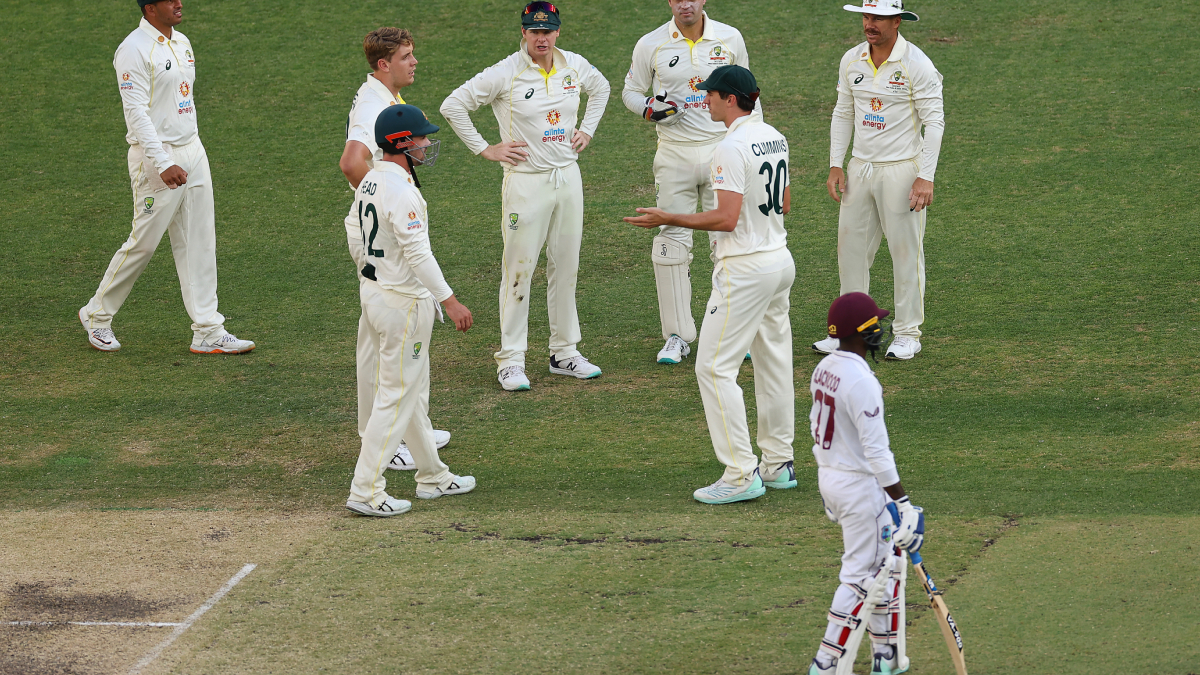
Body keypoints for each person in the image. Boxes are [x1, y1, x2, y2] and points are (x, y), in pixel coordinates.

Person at [625, 65, 796, 504]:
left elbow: (726, 218)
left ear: (731, 99)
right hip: (778, 260)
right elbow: (785, 202)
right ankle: (777, 464)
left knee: (714, 368)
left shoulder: (729, 147)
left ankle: (741, 475)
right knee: (773, 362)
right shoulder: (774, 135)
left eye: (711, 94)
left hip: (744, 270)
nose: (705, 99)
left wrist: (669, 216)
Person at [440, 1, 611, 391]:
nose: (542, 38)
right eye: (534, 32)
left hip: (568, 177)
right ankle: (511, 359)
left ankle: (564, 352)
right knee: (519, 269)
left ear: (557, 32)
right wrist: (486, 148)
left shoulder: (573, 65)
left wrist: (588, 129)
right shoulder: (506, 72)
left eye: (548, 31)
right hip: (525, 181)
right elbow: (453, 105)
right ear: (523, 33)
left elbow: (601, 88)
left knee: (565, 265)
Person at [79, 0, 254, 354]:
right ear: (149, 7)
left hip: (192, 149)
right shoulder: (132, 50)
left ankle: (207, 328)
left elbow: (180, 100)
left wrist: (192, 147)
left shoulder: (182, 41)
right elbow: (136, 113)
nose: (179, 3)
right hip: (157, 156)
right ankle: (97, 315)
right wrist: (162, 161)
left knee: (200, 239)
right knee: (144, 241)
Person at [345, 104, 476, 517]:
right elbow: (419, 252)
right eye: (420, 138)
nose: (426, 143)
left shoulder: (370, 182)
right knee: (397, 396)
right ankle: (366, 490)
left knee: (411, 393)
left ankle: (433, 476)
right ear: (401, 143)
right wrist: (449, 300)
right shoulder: (401, 190)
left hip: (376, 295)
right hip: (403, 304)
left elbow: (353, 228)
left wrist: (371, 270)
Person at [338, 27, 450, 471]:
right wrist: (382, 193)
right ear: (384, 64)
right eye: (406, 56)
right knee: (388, 331)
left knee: (389, 329)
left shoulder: (388, 99)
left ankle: (410, 426)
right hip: (378, 233)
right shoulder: (375, 104)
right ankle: (385, 436)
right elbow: (352, 162)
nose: (414, 62)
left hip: (377, 225)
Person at [621, 0, 757, 365]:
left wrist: (753, 146)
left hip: (722, 151)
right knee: (670, 243)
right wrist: (648, 107)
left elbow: (750, 95)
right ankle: (677, 336)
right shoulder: (650, 44)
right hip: (674, 154)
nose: (686, 3)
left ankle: (733, 332)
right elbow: (631, 92)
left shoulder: (729, 38)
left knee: (728, 242)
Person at [813, 0, 945, 361]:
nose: (869, 24)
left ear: (897, 21)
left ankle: (907, 333)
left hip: (902, 170)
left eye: (878, 18)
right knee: (851, 253)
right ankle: (853, 329)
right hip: (860, 169)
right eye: (866, 17)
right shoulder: (852, 59)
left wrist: (925, 176)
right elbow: (843, 112)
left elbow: (934, 123)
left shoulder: (917, 64)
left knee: (905, 253)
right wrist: (836, 164)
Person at [806, 292, 925, 675]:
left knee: (886, 567)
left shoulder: (825, 367)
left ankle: (886, 655)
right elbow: (877, 452)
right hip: (859, 488)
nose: (880, 328)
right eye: (875, 324)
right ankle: (826, 662)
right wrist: (903, 503)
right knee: (861, 576)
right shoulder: (861, 382)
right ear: (863, 332)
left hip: (831, 476)